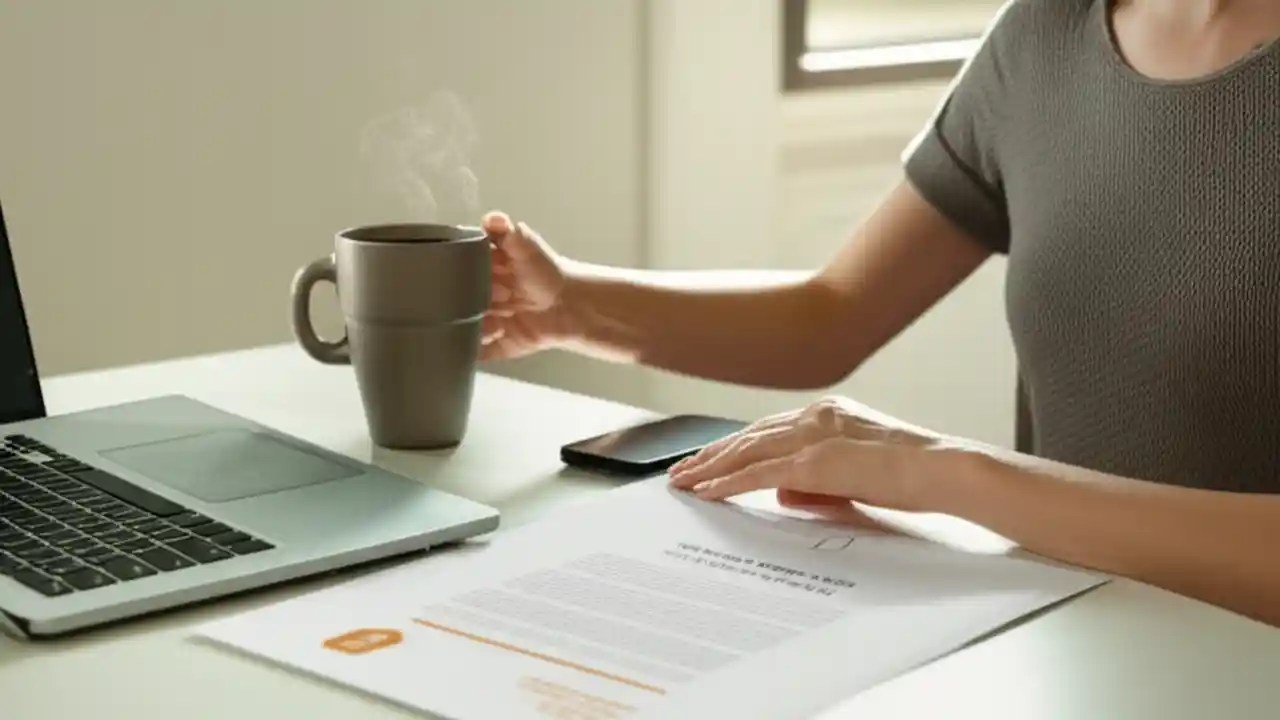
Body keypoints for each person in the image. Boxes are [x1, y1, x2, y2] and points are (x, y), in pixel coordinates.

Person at [480, 0, 1280, 627]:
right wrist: (572, 306)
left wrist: (944, 471)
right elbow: (830, 315)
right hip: (1071, 647)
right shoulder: (1044, 34)